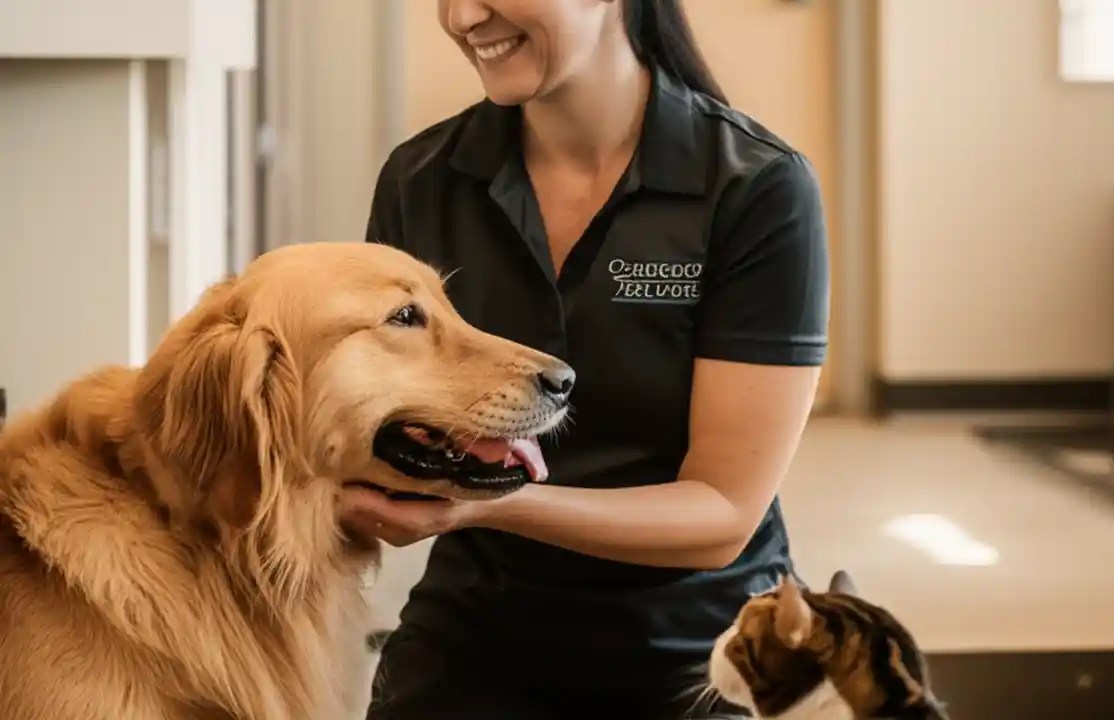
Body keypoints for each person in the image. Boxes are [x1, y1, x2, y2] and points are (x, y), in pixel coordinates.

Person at [343, 0, 830, 717]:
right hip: (478, 637)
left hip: (707, 657)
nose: (461, 15)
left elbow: (723, 513)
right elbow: (383, 419)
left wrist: (478, 507)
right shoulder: (422, 181)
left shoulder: (757, 187)